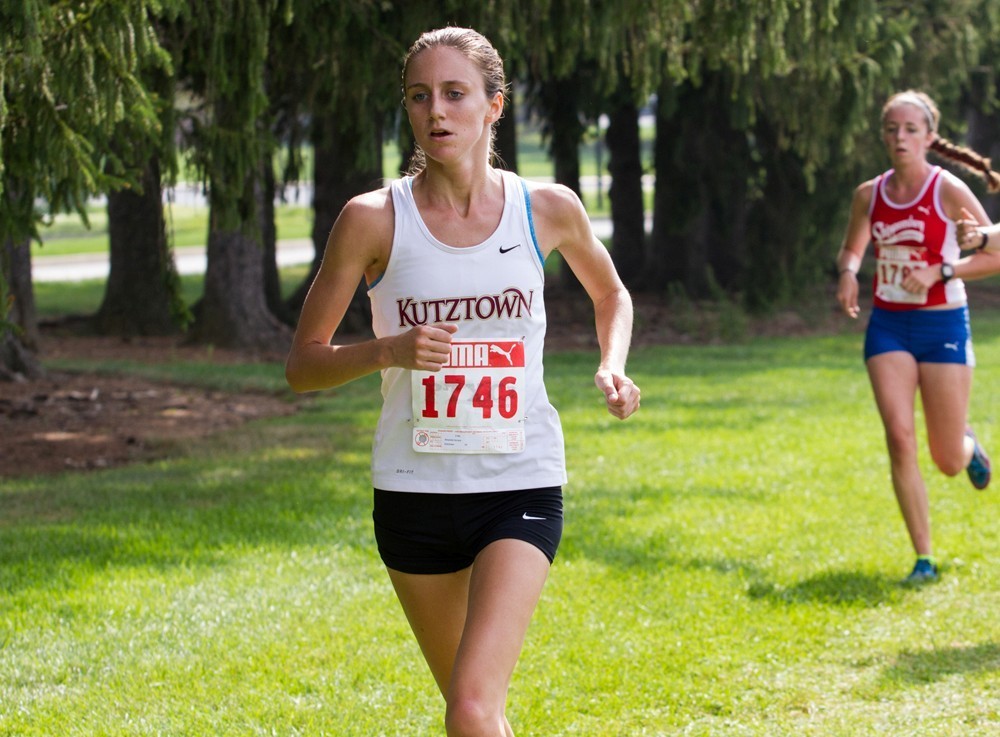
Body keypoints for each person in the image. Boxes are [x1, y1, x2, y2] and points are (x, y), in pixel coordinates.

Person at [285, 26, 640, 736]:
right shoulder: (372, 219)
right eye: (419, 96)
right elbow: (303, 365)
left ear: (493, 105)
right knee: (477, 714)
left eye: (454, 93)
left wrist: (612, 363)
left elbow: (611, 294)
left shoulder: (546, 209)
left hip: (519, 483)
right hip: (412, 492)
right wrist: (388, 351)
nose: (436, 111)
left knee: (472, 708)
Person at [835, 89, 1000, 586]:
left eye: (911, 129)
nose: (900, 137)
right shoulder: (870, 194)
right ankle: (924, 558)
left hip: (942, 324)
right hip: (888, 325)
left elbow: (993, 252)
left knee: (946, 459)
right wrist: (848, 272)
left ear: (929, 137)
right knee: (899, 437)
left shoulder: (947, 189)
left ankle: (969, 449)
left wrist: (941, 270)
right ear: (884, 137)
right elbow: (853, 247)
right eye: (892, 129)